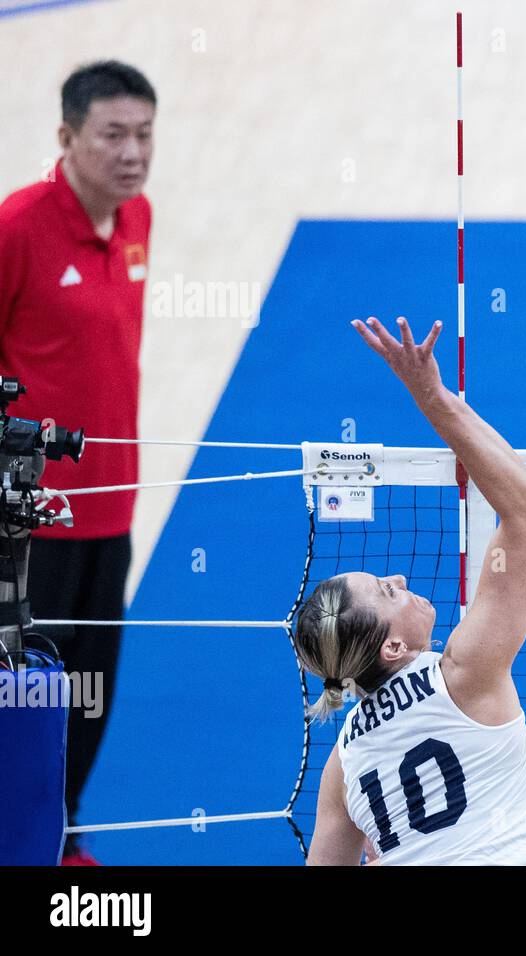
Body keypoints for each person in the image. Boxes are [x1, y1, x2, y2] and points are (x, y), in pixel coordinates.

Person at [295, 316, 526, 865]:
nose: (402, 580)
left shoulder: (342, 767)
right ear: (392, 649)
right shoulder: (465, 673)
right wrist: (431, 395)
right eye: (388, 592)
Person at [0, 61, 157, 865]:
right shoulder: (17, 228)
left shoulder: (137, 220)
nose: (132, 153)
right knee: (27, 692)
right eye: (113, 135)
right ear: (66, 138)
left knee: (91, 691)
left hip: (115, 508)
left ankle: (62, 837)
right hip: (33, 520)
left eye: (144, 134)